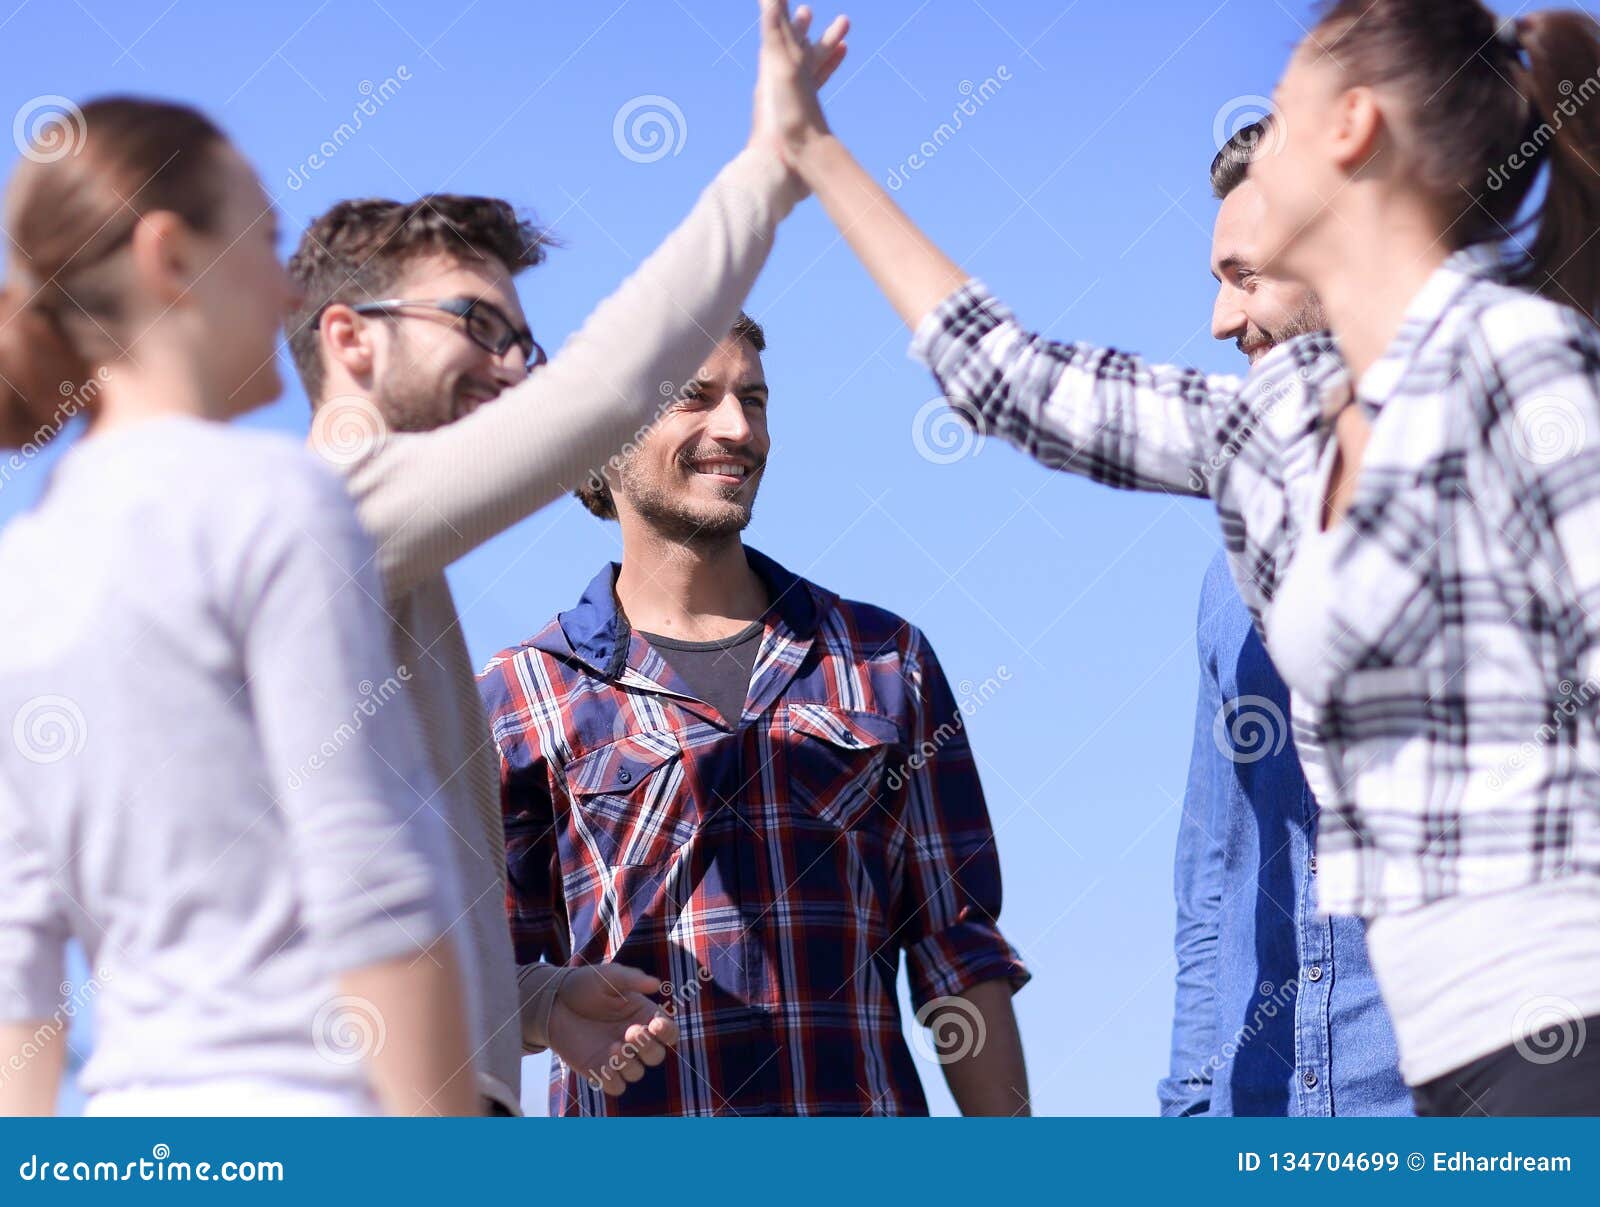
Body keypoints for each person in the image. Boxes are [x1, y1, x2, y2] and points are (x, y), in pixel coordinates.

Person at [758, 0, 1600, 1114]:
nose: (1254, 159)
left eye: (1282, 116)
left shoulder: (1517, 364)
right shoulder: (1282, 428)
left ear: (1350, 129)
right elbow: (1011, 380)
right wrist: (812, 148)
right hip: (1448, 1051)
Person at [285, 0, 850, 1113]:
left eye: (522, 340)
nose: (510, 371)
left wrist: (537, 1001)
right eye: (475, 325)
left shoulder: (388, 567)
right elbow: (600, 392)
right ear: (347, 337)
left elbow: (376, 912)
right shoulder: (329, 518)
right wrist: (769, 171)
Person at [0, 97, 475, 1117]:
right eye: (262, 237)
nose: (289, 285)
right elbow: (372, 881)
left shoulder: (20, 568)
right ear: (170, 256)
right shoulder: (275, 500)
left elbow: (15, 952)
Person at [478, 313, 1030, 1116]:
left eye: (755, 400)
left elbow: (958, 953)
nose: (736, 428)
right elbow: (474, 978)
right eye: (694, 398)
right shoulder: (519, 697)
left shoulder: (882, 658)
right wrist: (546, 1001)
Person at [1160, 123, 1408, 1117]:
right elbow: (1212, 877)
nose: (1222, 321)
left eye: (1247, 277)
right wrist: (1185, 1113)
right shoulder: (1230, 572)